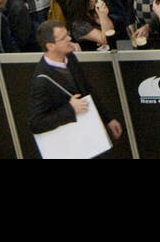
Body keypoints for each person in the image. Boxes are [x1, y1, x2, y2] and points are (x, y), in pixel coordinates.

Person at [28, 20, 123, 153]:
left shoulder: (70, 57)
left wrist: (108, 119)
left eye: (67, 34)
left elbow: (87, 89)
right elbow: (36, 123)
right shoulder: (41, 81)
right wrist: (70, 110)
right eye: (63, 38)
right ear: (50, 46)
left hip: (90, 136)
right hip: (69, 145)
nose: (69, 38)